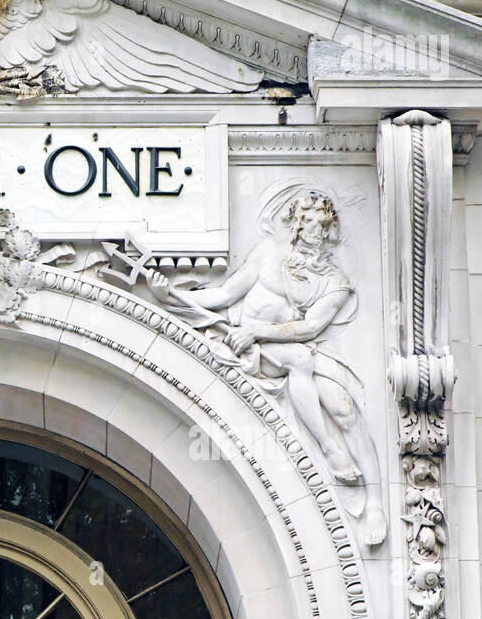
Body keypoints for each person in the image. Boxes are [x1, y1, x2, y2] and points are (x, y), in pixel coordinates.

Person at [149, 190, 387, 545]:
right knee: (302, 361)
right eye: (304, 220)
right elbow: (223, 295)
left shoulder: (335, 282)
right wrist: (169, 296)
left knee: (343, 408)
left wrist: (256, 332)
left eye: (318, 224)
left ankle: (376, 501)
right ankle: (329, 448)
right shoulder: (267, 253)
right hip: (242, 342)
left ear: (329, 231)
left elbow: (310, 328)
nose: (309, 229)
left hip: (284, 344)